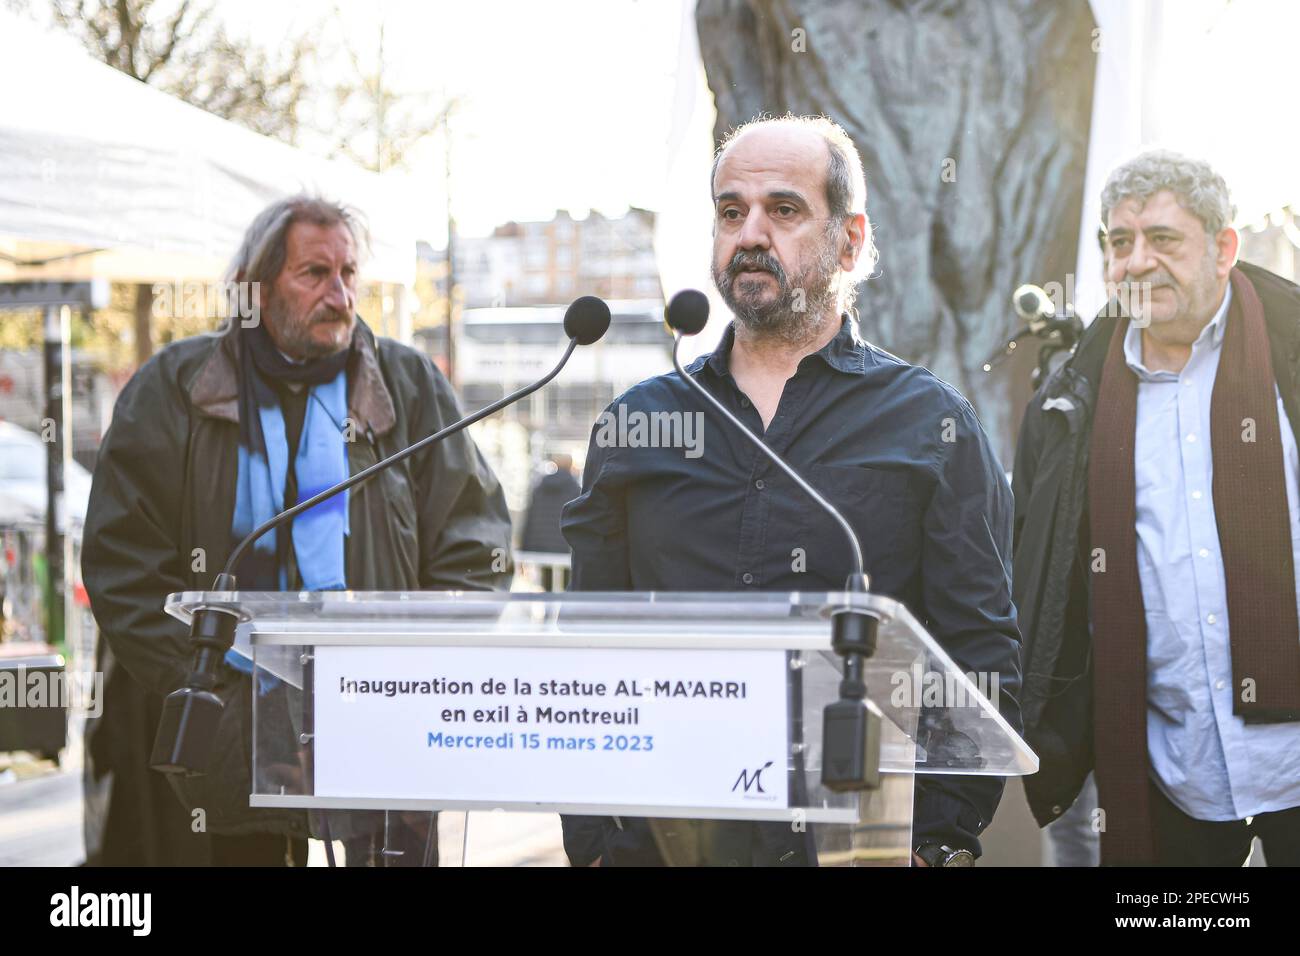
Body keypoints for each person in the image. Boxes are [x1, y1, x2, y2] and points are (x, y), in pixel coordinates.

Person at [560, 114, 1023, 866]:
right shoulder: (637, 423)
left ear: (849, 240)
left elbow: (978, 651)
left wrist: (934, 843)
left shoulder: (931, 424)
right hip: (667, 842)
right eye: (730, 211)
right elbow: (586, 649)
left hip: (857, 839)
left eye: (784, 210)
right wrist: (595, 845)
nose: (749, 233)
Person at [82, 195, 513, 866]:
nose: (339, 294)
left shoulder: (408, 384)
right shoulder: (174, 387)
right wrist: (203, 690)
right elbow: (122, 564)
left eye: (348, 274)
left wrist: (421, 676)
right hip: (223, 725)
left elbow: (475, 545)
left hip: (379, 717)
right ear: (255, 285)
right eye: (314, 273)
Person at [1013, 150, 1300, 866]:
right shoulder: (1069, 395)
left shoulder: (1291, 348)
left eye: (1163, 240)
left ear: (1224, 247)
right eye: (1118, 243)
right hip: (1170, 772)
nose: (1136, 263)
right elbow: (1045, 575)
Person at [519, 453, 580, 590]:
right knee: (565, 584)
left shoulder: (539, 488)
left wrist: (524, 549)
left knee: (547, 585)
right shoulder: (576, 490)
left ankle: (548, 610)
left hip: (542, 547)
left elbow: (530, 519)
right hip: (565, 548)